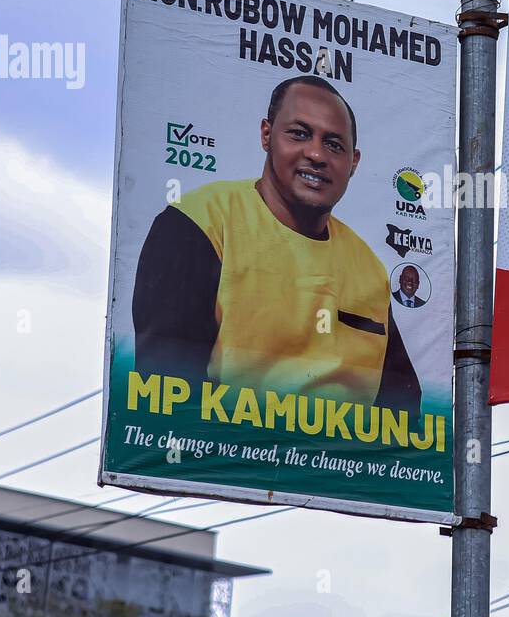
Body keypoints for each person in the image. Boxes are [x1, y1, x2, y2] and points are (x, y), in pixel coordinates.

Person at [131, 75, 420, 415]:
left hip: (336, 466)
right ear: (266, 134)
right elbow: (166, 391)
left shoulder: (368, 269)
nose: (316, 154)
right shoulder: (200, 224)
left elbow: (403, 412)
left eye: (334, 144)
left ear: (353, 163)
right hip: (225, 461)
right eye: (299, 133)